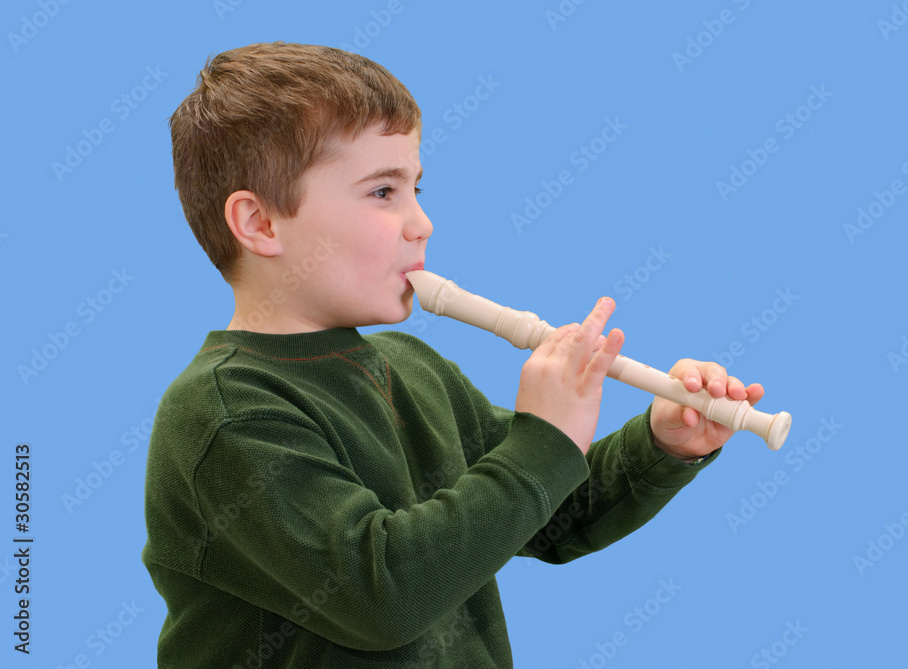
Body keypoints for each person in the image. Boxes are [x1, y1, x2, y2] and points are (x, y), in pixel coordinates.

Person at [141, 41, 765, 668]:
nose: (421, 222)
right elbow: (382, 594)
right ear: (260, 224)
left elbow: (544, 512)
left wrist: (662, 442)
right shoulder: (225, 413)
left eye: (415, 186)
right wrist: (545, 437)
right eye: (382, 192)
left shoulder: (412, 368)